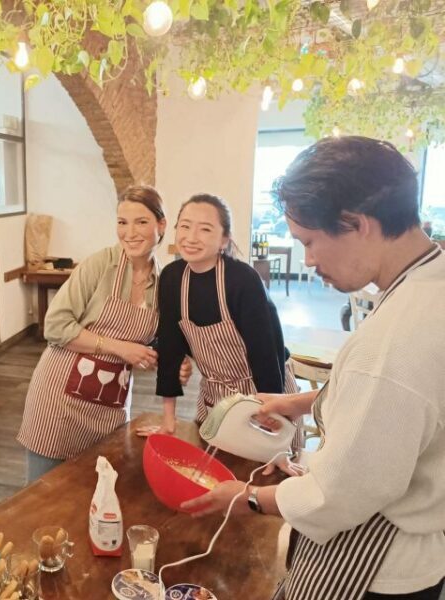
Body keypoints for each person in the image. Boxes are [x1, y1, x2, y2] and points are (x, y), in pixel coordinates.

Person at [183, 137, 445, 599]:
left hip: (373, 564)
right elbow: (399, 408)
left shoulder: (395, 341)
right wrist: (299, 402)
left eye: (309, 241)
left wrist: (246, 498)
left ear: (356, 224)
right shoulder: (430, 280)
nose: (308, 261)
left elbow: (342, 494)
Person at [17, 185, 190, 482]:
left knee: (98, 493)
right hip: (59, 398)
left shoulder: (165, 284)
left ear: (161, 225)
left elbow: (152, 343)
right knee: (42, 497)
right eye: (122, 222)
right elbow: (55, 326)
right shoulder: (99, 265)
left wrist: (173, 363)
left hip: (110, 404)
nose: (130, 233)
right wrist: (120, 348)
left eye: (141, 222)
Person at [140, 194, 304, 473]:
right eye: (185, 226)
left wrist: (274, 438)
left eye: (205, 229)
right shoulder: (172, 278)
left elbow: (268, 355)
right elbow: (170, 348)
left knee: (265, 486)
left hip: (266, 396)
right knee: (214, 475)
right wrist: (168, 420)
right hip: (215, 398)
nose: (191, 237)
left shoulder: (242, 280)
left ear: (224, 240)